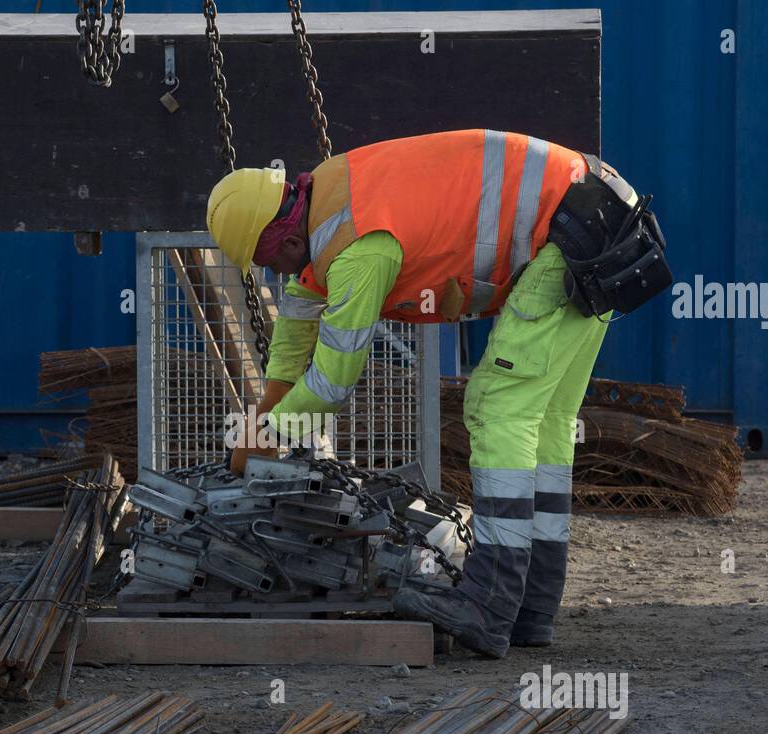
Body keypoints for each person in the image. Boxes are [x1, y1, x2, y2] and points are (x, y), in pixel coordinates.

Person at [206, 129, 670, 658]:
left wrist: (268, 433)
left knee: (500, 409)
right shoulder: (325, 202)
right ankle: (531, 606)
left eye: (275, 264)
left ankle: (489, 604)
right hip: (598, 214)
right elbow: (294, 330)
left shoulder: (358, 250)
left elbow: (332, 385)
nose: (280, 275)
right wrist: (261, 419)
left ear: (288, 241)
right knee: (545, 421)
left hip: (572, 234)